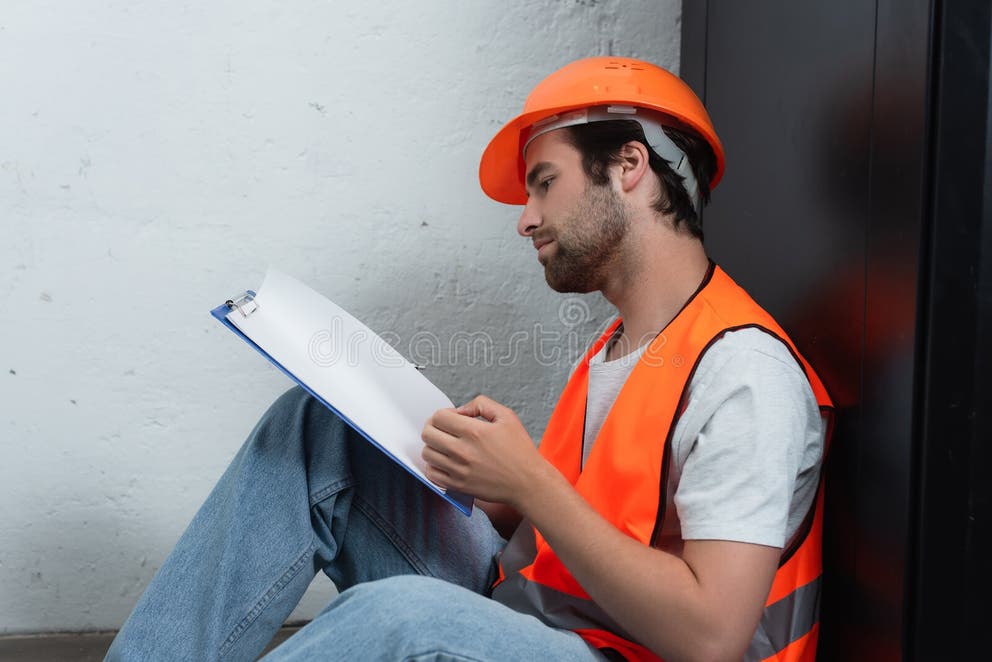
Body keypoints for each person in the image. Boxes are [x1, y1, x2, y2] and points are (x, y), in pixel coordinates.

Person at [107, 57, 832, 662]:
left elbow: (711, 637)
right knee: (318, 427)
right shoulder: (620, 348)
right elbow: (598, 526)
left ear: (628, 166)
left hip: (621, 652)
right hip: (550, 615)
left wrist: (530, 483)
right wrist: (480, 475)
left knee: (402, 618)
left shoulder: (745, 373)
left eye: (545, 182)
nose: (526, 218)